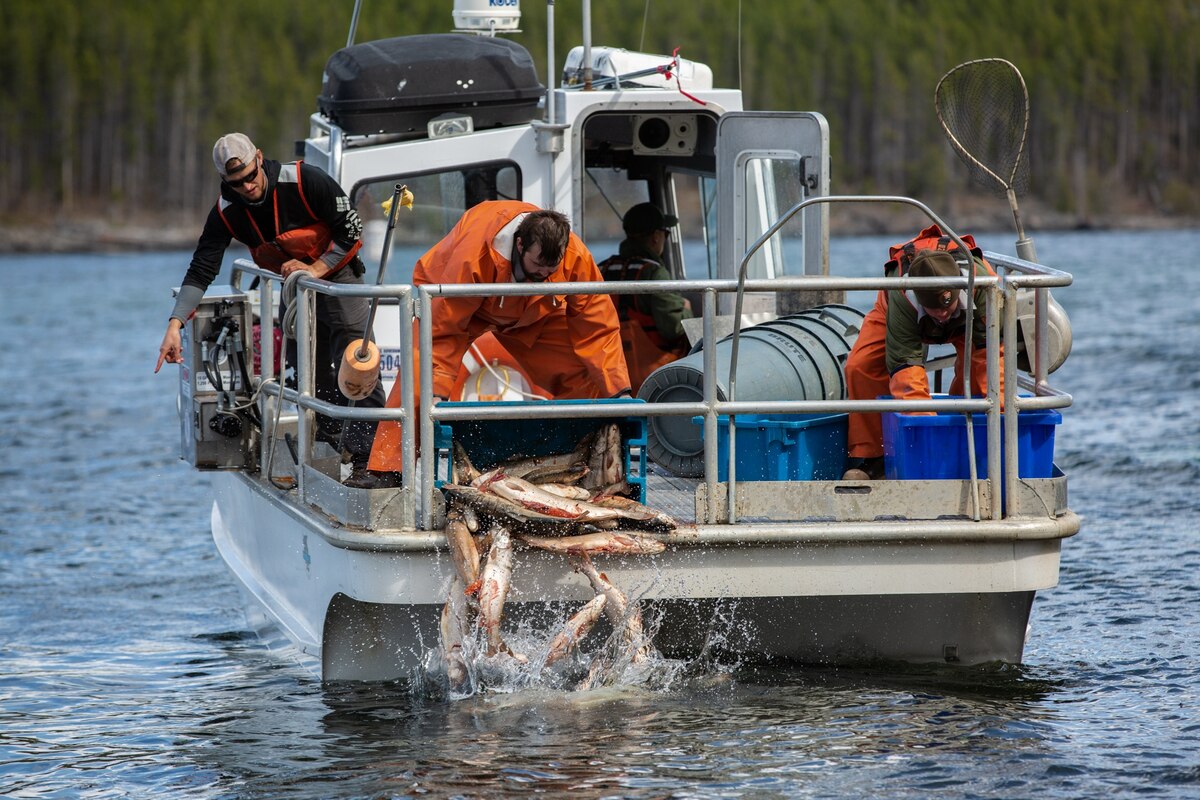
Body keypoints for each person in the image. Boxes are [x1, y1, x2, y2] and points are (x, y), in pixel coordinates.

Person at [155, 132, 386, 484]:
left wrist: (316, 270)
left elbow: (351, 230)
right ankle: (330, 452)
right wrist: (175, 323)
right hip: (296, 291)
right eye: (237, 182)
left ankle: (371, 461)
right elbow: (202, 267)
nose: (247, 186)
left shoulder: (305, 181)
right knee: (302, 374)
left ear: (260, 159)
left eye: (250, 175)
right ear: (225, 181)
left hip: (340, 280)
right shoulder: (226, 213)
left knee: (357, 366)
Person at [361, 200, 631, 485]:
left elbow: (598, 327)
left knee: (584, 370)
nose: (544, 274)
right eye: (537, 264)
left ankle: (576, 461)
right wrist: (436, 394)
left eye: (551, 268)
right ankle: (388, 470)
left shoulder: (574, 256)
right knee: (420, 376)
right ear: (519, 245)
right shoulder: (472, 258)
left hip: (532, 314)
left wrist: (620, 392)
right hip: (466, 307)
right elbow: (443, 331)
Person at [842, 224, 1005, 480]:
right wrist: (928, 444)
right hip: (903, 315)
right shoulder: (901, 294)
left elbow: (992, 360)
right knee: (860, 366)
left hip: (968, 318)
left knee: (979, 371)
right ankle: (875, 458)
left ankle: (981, 444)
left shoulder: (983, 287)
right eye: (934, 309)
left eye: (946, 307)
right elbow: (906, 370)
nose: (942, 314)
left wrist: (1003, 424)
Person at [598, 202, 694, 391]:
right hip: (652, 378)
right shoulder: (654, 273)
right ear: (656, 237)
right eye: (665, 234)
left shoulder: (601, 268)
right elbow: (673, 327)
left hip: (610, 375)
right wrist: (687, 311)